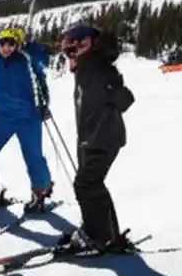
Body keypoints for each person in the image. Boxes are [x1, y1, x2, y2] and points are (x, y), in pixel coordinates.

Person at [56, 23, 136, 252]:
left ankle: (97, 236)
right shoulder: (85, 67)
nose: (70, 54)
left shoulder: (96, 68)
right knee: (93, 184)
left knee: (85, 184)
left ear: (87, 44)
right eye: (67, 50)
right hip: (91, 137)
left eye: (73, 48)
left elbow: (125, 99)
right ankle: (106, 233)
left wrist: (110, 91)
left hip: (104, 137)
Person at [0, 17, 54, 212]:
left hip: (28, 117)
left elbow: (42, 69)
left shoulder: (27, 57)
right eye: (2, 43)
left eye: (11, 44)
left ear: (17, 44)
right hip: (2, 117)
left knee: (33, 157)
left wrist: (33, 46)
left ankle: (41, 191)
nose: (6, 48)